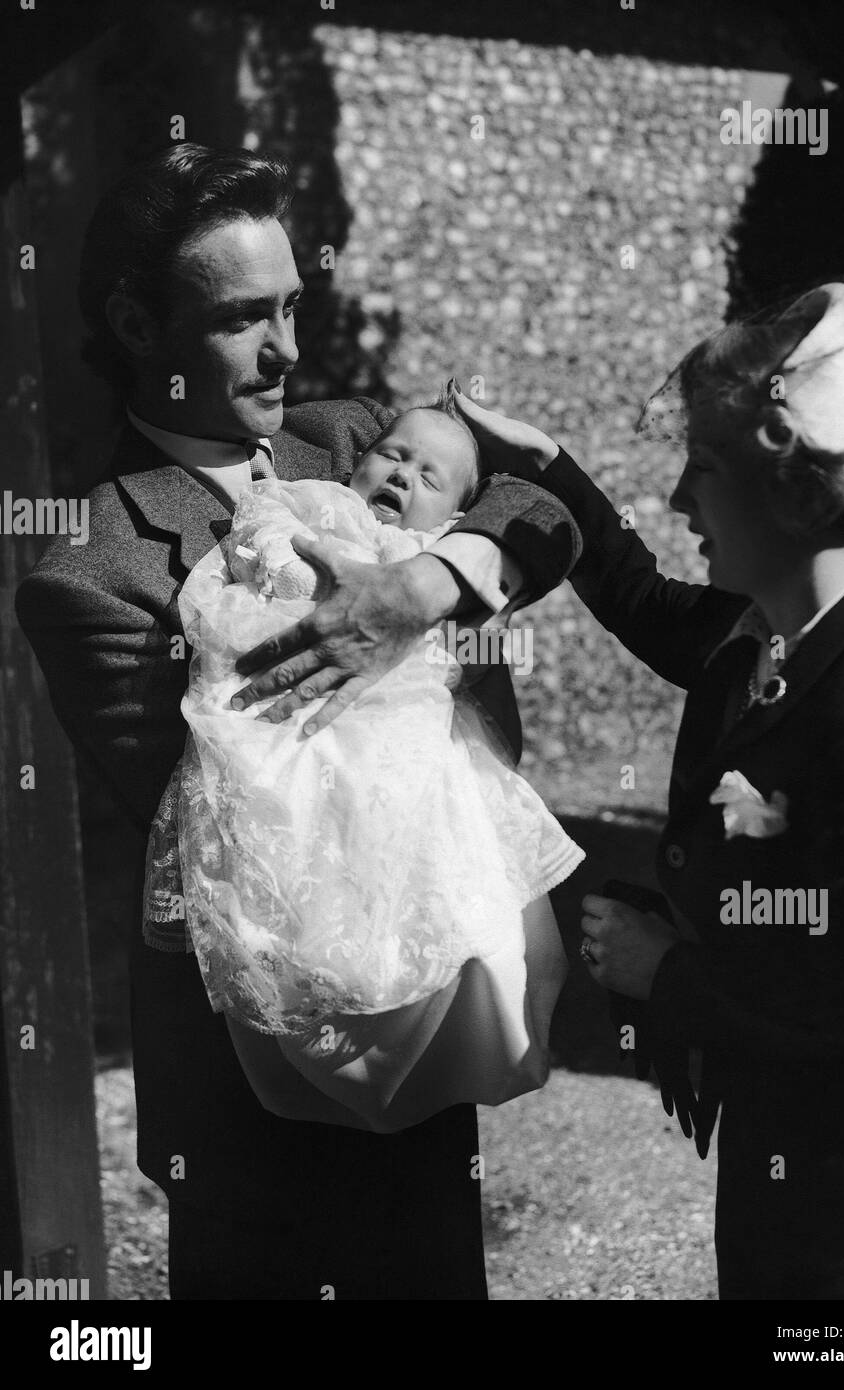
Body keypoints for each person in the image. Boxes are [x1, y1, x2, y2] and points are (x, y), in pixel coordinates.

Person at [15, 142, 581, 1300]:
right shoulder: (94, 572)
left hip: (434, 1019)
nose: (285, 350)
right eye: (242, 320)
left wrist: (430, 583)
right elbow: (234, 834)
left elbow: (537, 507)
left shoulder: (346, 436)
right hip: (260, 1090)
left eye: (290, 308)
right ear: (135, 321)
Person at [452, 282, 844, 1300]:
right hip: (784, 1178)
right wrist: (542, 464)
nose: (679, 496)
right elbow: (637, 593)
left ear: (799, 492)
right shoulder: (758, 634)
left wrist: (667, 969)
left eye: (705, 465)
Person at [145, 392, 583, 1133]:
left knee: (457, 897)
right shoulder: (315, 500)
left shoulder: (440, 546)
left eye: (430, 475)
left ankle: (450, 1037)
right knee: (300, 905)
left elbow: (541, 514)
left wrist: (436, 593)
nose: (403, 474)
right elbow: (265, 534)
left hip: (411, 757)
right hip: (289, 748)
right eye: (393, 455)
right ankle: (323, 1031)